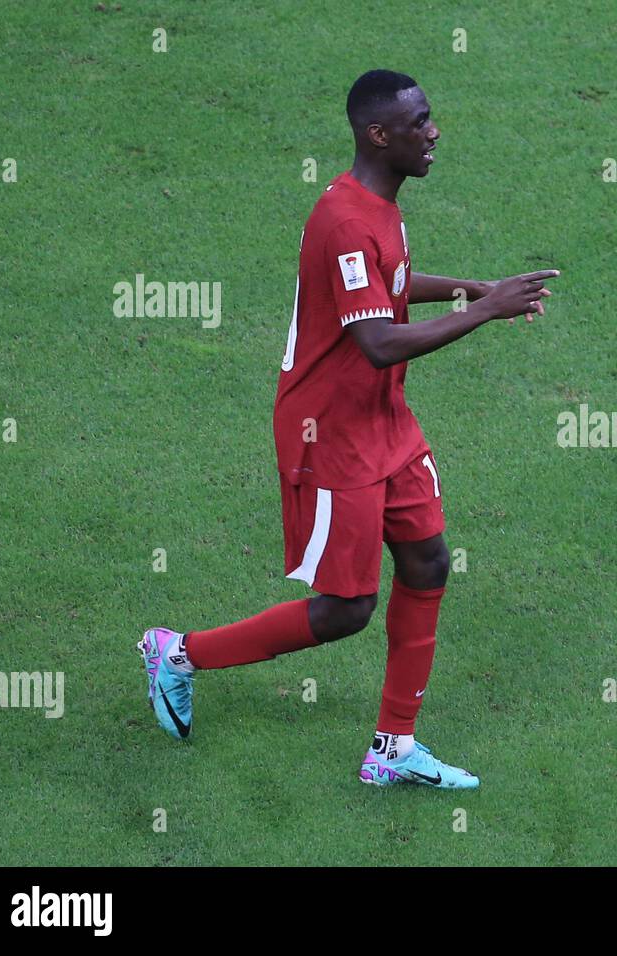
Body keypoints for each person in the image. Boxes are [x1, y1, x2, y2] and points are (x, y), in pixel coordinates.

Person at [138, 69, 559, 791]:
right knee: (346, 610)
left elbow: (388, 280)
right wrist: (486, 313)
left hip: (384, 420)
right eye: (420, 121)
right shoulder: (342, 220)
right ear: (379, 134)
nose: (433, 132)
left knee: (428, 563)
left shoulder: (377, 206)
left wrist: (475, 288)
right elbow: (378, 341)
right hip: (328, 434)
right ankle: (177, 654)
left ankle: (393, 749)